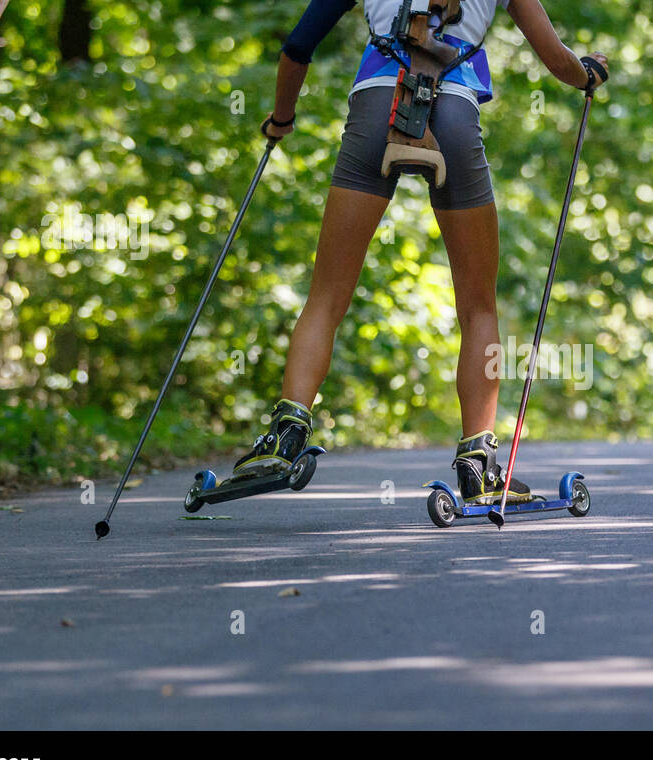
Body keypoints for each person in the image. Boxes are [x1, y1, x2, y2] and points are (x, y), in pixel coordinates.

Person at [235, 0, 608, 504]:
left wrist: (281, 119)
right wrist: (585, 74)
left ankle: (286, 434)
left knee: (326, 295)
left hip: (376, 110)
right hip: (453, 114)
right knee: (478, 306)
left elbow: (298, 45)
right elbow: (556, 60)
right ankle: (478, 463)